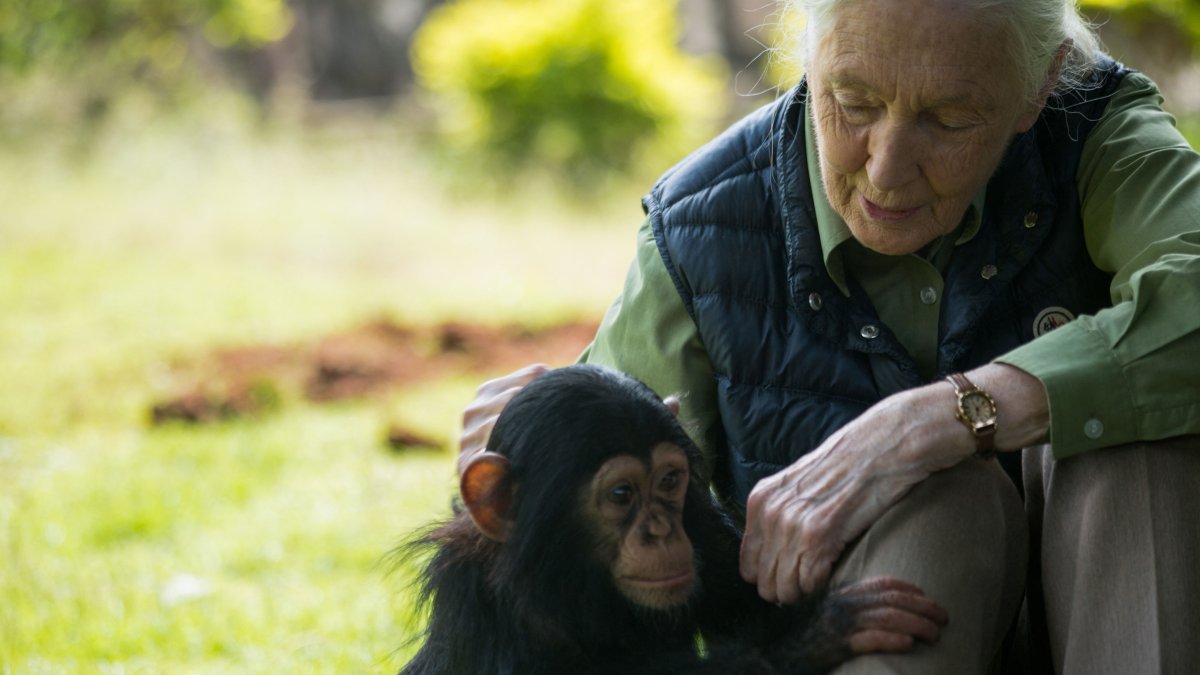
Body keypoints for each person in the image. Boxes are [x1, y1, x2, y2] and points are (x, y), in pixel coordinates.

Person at [458, 0, 1200, 672]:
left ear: (1039, 88)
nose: (885, 167)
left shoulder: (1094, 130)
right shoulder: (701, 225)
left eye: (948, 119)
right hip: (879, 628)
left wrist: (943, 416)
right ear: (808, 63)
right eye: (853, 103)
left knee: (1133, 435)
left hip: (1113, 618)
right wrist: (510, 473)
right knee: (944, 499)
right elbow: (571, 548)